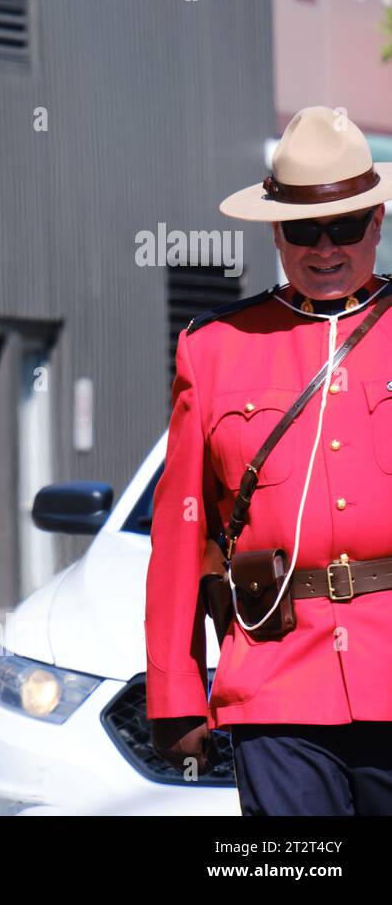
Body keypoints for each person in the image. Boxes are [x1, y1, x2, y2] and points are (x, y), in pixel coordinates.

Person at [147, 105, 392, 815]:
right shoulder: (216, 346)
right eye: (302, 229)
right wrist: (172, 684)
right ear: (275, 231)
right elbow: (180, 531)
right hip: (277, 679)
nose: (325, 248)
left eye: (345, 226)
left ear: (376, 220)